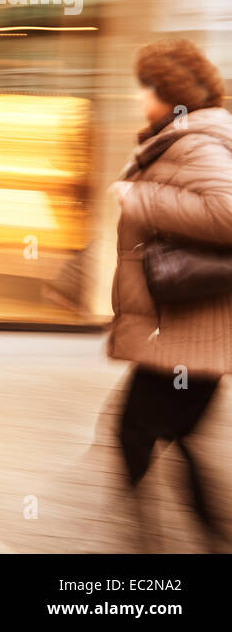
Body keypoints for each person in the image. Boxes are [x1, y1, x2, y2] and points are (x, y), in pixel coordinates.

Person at [108, 38, 232, 550]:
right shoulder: (181, 137)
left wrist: (144, 197)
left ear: (173, 93)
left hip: (185, 333)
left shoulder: (195, 141)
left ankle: (148, 551)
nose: (141, 99)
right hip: (185, 333)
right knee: (171, 437)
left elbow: (227, 212)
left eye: (149, 89)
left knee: (134, 434)